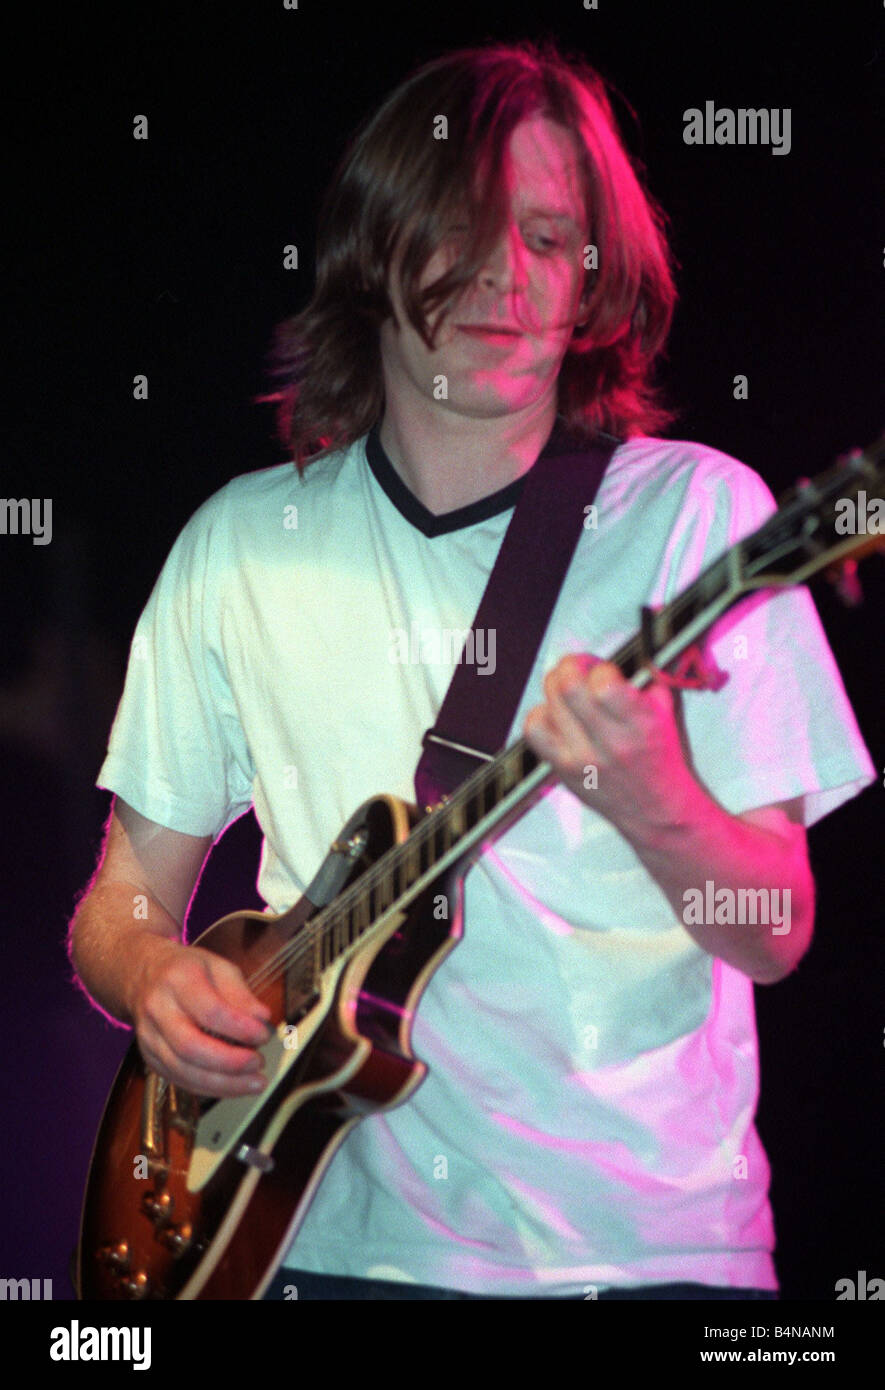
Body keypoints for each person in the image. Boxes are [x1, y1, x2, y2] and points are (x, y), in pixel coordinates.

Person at [68, 40, 875, 1300]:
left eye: (554, 239)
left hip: (645, 1256)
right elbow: (118, 901)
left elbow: (773, 931)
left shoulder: (699, 519)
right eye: (471, 228)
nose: (512, 274)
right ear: (378, 245)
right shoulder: (240, 544)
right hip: (309, 1243)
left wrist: (653, 795)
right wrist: (154, 978)